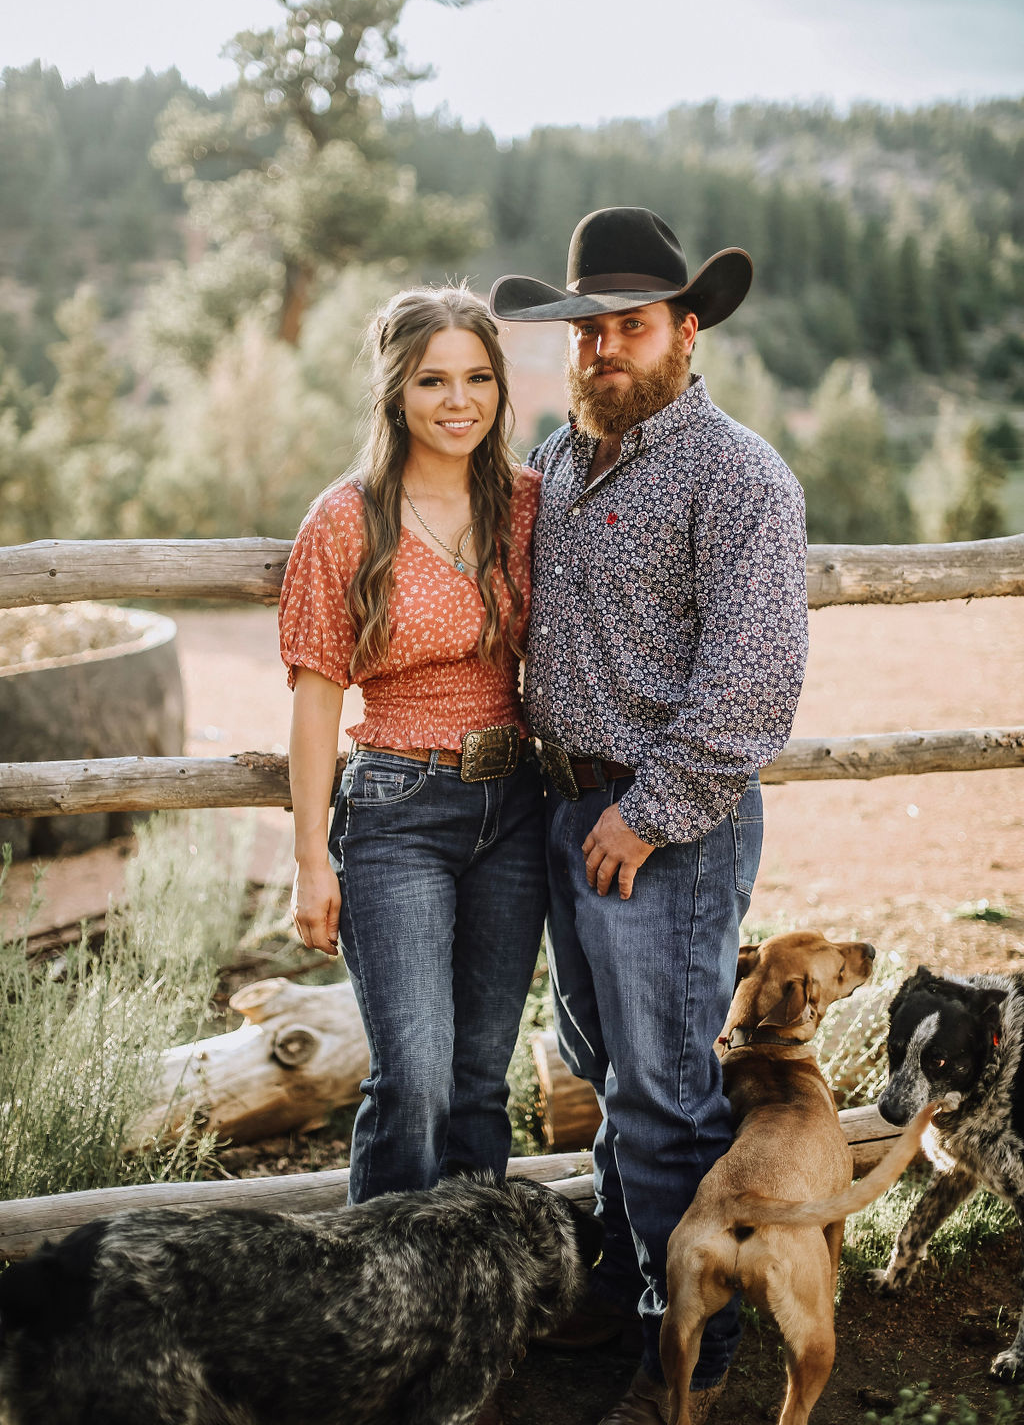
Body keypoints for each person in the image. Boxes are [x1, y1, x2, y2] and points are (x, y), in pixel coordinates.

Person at [490, 207, 809, 1425]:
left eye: (628, 326)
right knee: (600, 1065)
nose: (602, 349)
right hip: (564, 807)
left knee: (667, 1089)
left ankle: (694, 1350)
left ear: (685, 329)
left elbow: (752, 681)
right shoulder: (564, 464)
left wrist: (650, 810)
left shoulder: (737, 476)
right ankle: (632, 1284)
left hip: (660, 825)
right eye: (584, 332)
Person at [279, 285, 546, 1205]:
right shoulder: (346, 519)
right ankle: (379, 1314)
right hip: (397, 813)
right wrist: (311, 861)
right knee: (416, 1081)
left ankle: (470, 1308)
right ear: (397, 392)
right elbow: (317, 703)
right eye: (434, 381)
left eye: (477, 378)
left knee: (480, 1086)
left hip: (516, 810)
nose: (458, 401)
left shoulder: (527, 504)